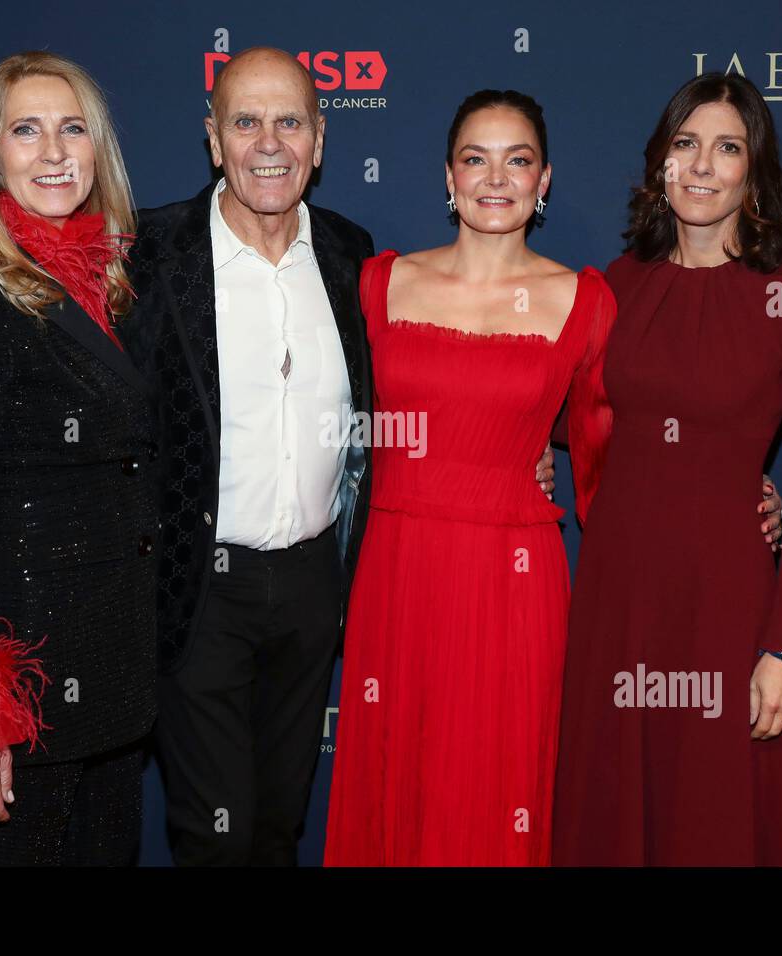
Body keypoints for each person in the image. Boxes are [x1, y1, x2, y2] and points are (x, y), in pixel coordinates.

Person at [118, 48, 558, 866]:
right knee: (215, 833)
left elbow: (454, 387)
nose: (268, 143)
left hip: (320, 586)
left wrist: (528, 454)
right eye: (246, 122)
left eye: (289, 121)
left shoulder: (357, 262)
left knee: (281, 826)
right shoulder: (148, 257)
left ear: (320, 141)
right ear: (214, 139)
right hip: (197, 586)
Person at [323, 89, 782, 866]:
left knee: (499, 791)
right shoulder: (376, 284)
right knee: (393, 783)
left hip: (515, 584)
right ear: (448, 175)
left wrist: (736, 487)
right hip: (397, 575)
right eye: (475, 158)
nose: (494, 178)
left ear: (545, 183)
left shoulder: (589, 300)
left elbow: (620, 442)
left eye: (518, 160)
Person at [552, 72, 782, 866]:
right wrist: (526, 468)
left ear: (756, 170)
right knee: (613, 804)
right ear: (660, 163)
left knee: (713, 813)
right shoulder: (615, 287)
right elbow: (559, 415)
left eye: (728, 148)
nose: (703, 166)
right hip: (617, 592)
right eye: (686, 144)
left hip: (727, 601)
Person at [0, 51, 159, 866]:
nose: (53, 152)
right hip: (24, 712)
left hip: (111, 691)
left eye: (72, 128)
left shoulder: (104, 283)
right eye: (27, 131)